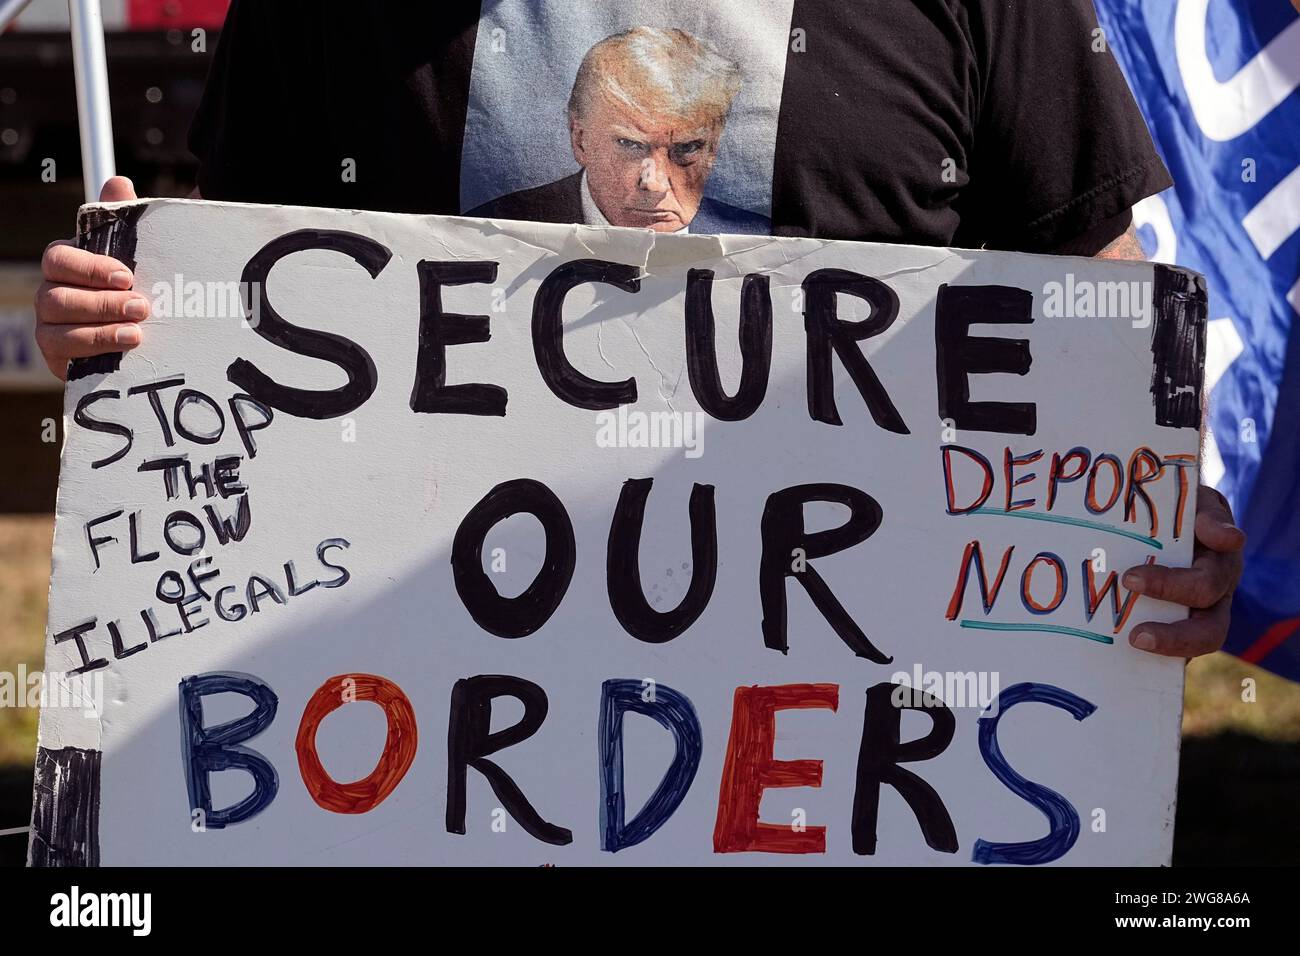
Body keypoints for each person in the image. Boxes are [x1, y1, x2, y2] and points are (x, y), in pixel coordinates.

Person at [33, 0, 1243, 660]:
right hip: (424, 772)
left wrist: (1141, 509)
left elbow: (1089, 284)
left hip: (869, 781)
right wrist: (118, 327)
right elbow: (235, 321)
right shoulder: (325, 17)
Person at [467, 27, 770, 234]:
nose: (654, 184)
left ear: (713, 148)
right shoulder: (487, 231)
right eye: (631, 144)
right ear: (580, 140)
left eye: (687, 148)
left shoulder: (770, 247)